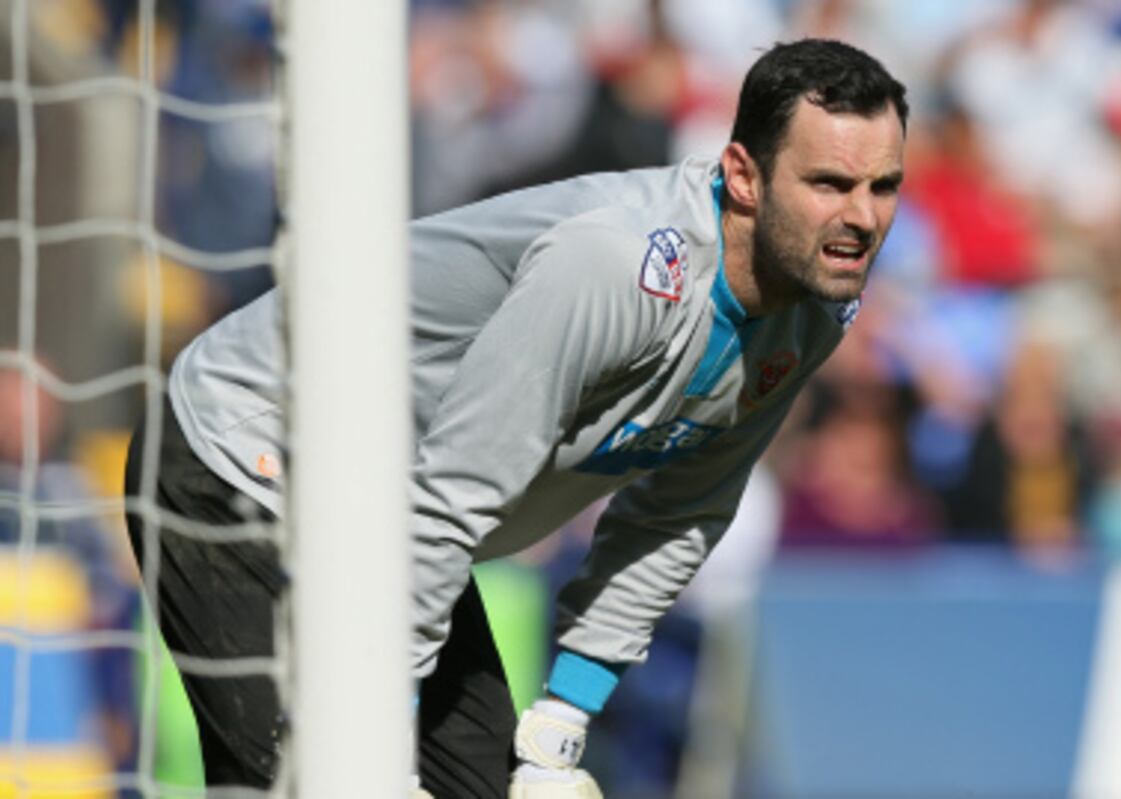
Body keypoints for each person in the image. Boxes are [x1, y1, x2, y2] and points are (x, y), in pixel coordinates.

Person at [123, 38, 908, 798]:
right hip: (244, 451)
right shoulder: (616, 267)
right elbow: (453, 495)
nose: (862, 218)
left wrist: (557, 728)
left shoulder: (813, 310)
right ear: (742, 174)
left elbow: (681, 513)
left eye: (883, 187)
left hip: (392, 517)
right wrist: (379, 739)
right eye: (830, 183)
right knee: (316, 782)